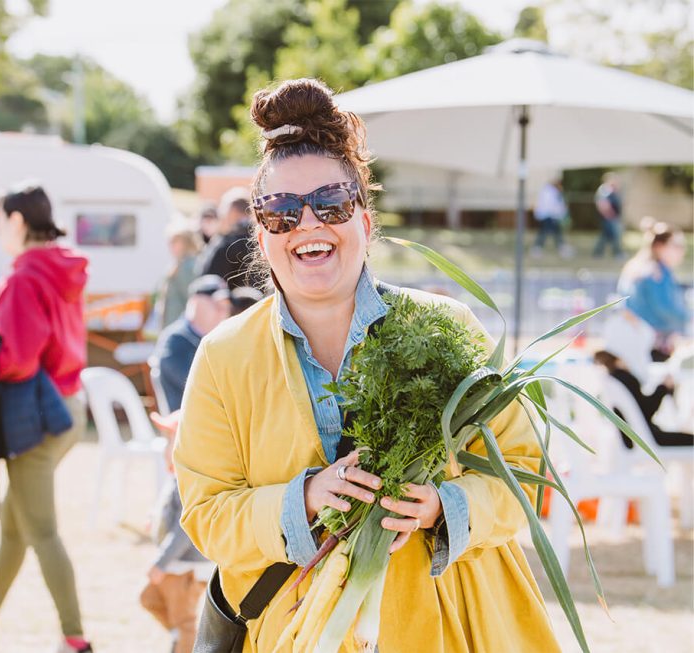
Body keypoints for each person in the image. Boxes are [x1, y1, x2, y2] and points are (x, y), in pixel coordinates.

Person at [173, 78, 561, 652]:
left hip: (445, 626)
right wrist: (301, 499)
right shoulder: (224, 355)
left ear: (365, 221)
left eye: (330, 203)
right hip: (294, 632)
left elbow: (525, 477)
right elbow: (207, 513)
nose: (308, 224)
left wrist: (444, 507)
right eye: (281, 211)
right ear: (261, 233)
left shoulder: (446, 328)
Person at [0, 183, 94, 653]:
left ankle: (75, 639)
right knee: (18, 527)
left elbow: (17, 357)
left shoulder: (22, 278)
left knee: (41, 530)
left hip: (35, 415)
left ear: (16, 221)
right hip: (66, 405)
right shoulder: (62, 268)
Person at [141, 409, 211, 653]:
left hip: (185, 565)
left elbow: (184, 530)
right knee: (150, 599)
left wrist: (161, 563)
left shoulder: (187, 483)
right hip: (177, 564)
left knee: (185, 621)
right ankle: (181, 638)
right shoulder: (176, 478)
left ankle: (185, 642)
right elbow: (169, 512)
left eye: (170, 441)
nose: (164, 449)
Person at [153, 275, 231, 412]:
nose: (222, 312)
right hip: (187, 427)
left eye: (225, 306)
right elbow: (205, 389)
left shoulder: (219, 338)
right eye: (216, 304)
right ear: (195, 303)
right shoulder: (175, 341)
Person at [618, 219, 690, 360]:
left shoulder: (639, 266)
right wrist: (689, 317)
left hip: (634, 342)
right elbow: (666, 308)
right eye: (677, 245)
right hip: (650, 349)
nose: (682, 251)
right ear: (659, 247)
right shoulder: (655, 272)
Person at [594, 350, 691, 448]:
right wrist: (664, 387)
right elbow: (646, 411)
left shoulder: (612, 380)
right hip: (644, 438)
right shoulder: (625, 378)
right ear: (619, 360)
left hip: (630, 438)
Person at [196, 187, 255, 288]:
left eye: (224, 210)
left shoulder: (227, 244)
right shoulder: (261, 242)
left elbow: (208, 283)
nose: (221, 215)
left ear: (233, 211)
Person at [157, 222, 202, 330]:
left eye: (174, 242)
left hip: (179, 326)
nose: (170, 245)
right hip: (173, 325)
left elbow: (190, 299)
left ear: (185, 243)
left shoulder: (188, 266)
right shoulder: (178, 264)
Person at [532, 177, 570, 257]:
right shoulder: (549, 192)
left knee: (555, 232)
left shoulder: (550, 191)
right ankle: (537, 248)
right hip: (548, 216)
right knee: (545, 232)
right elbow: (552, 206)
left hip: (550, 215)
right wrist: (560, 213)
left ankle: (560, 247)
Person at [593, 172, 624, 258]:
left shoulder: (611, 190)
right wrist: (610, 214)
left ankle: (598, 253)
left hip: (612, 217)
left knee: (605, 236)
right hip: (609, 217)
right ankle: (617, 253)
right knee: (615, 235)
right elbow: (602, 204)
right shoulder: (605, 190)